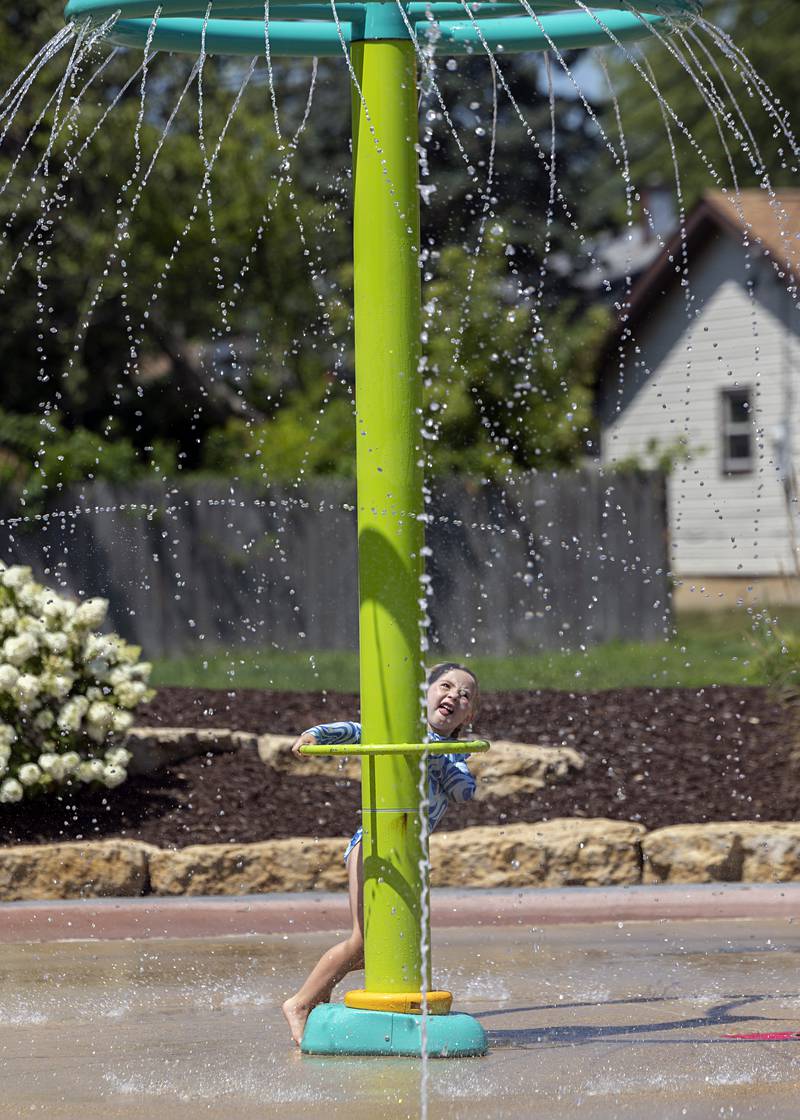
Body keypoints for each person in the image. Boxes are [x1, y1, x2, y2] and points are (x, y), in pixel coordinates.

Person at [281, 661, 480, 1046]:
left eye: (465, 694)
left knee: (385, 950)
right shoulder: (399, 732)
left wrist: (439, 756)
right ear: (422, 695)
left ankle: (320, 995)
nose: (454, 695)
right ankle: (301, 1003)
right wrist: (314, 734)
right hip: (371, 845)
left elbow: (463, 790)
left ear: (469, 714)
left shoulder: (452, 753)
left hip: (407, 855)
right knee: (362, 941)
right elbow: (355, 731)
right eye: (445, 685)